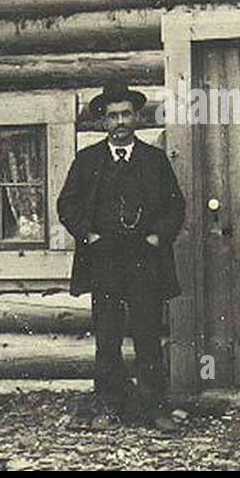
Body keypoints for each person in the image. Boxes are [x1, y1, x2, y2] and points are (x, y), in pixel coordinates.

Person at [57, 83, 186, 433]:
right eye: (112, 116)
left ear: (137, 117)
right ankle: (109, 406)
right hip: (104, 261)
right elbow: (66, 205)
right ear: (103, 121)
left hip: (144, 260)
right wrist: (88, 235)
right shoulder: (87, 161)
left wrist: (158, 235)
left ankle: (154, 409)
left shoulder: (154, 160)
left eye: (126, 114)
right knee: (107, 336)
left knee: (147, 335)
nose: (119, 122)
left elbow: (176, 205)